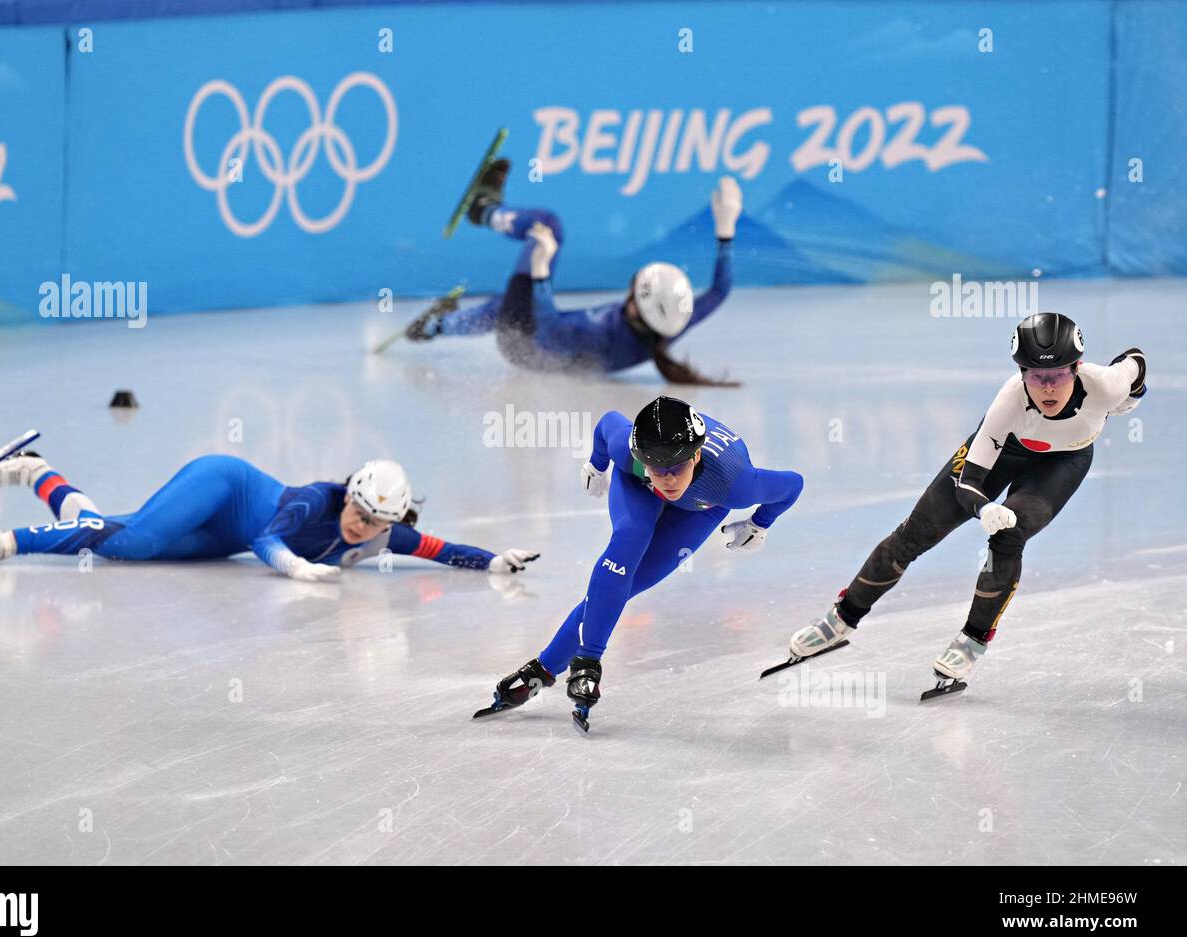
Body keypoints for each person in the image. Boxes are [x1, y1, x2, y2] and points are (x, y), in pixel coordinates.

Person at [786, 312, 1147, 689]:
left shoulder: (1106, 386)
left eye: (1057, 375)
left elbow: (1136, 359)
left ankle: (973, 641)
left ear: (1077, 368)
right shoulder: (1009, 401)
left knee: (1010, 535)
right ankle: (841, 618)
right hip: (1004, 448)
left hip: (1062, 463)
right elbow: (969, 482)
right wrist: (984, 506)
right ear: (1021, 373)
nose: (1048, 388)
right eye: (1036, 377)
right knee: (917, 532)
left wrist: (1134, 394)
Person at [475, 396, 804, 730]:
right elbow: (607, 423)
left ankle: (543, 669)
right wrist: (597, 464)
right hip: (636, 485)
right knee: (630, 536)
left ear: (697, 455)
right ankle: (584, 663)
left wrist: (760, 524)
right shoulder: (630, 455)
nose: (668, 480)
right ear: (641, 458)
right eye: (657, 470)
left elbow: (794, 484)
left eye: (676, 469)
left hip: (705, 503)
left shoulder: (737, 486)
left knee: (628, 586)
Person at [0, 451, 539, 580]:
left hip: (220, 539)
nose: (356, 526)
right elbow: (267, 540)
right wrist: (302, 573)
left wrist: (493, 561)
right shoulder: (310, 500)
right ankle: (0, 543)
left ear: (388, 523)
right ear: (349, 495)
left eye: (371, 524)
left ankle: (36, 471)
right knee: (134, 544)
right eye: (355, 511)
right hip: (222, 487)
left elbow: (438, 549)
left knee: (114, 538)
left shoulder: (386, 534)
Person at [400, 160, 742, 385]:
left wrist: (540, 272)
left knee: (548, 227)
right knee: (505, 305)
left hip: (529, 346)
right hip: (534, 346)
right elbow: (719, 293)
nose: (631, 288)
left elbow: (547, 328)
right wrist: (725, 230)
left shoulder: (604, 334)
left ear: (638, 309)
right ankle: (434, 326)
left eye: (637, 290)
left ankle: (483, 210)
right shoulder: (667, 325)